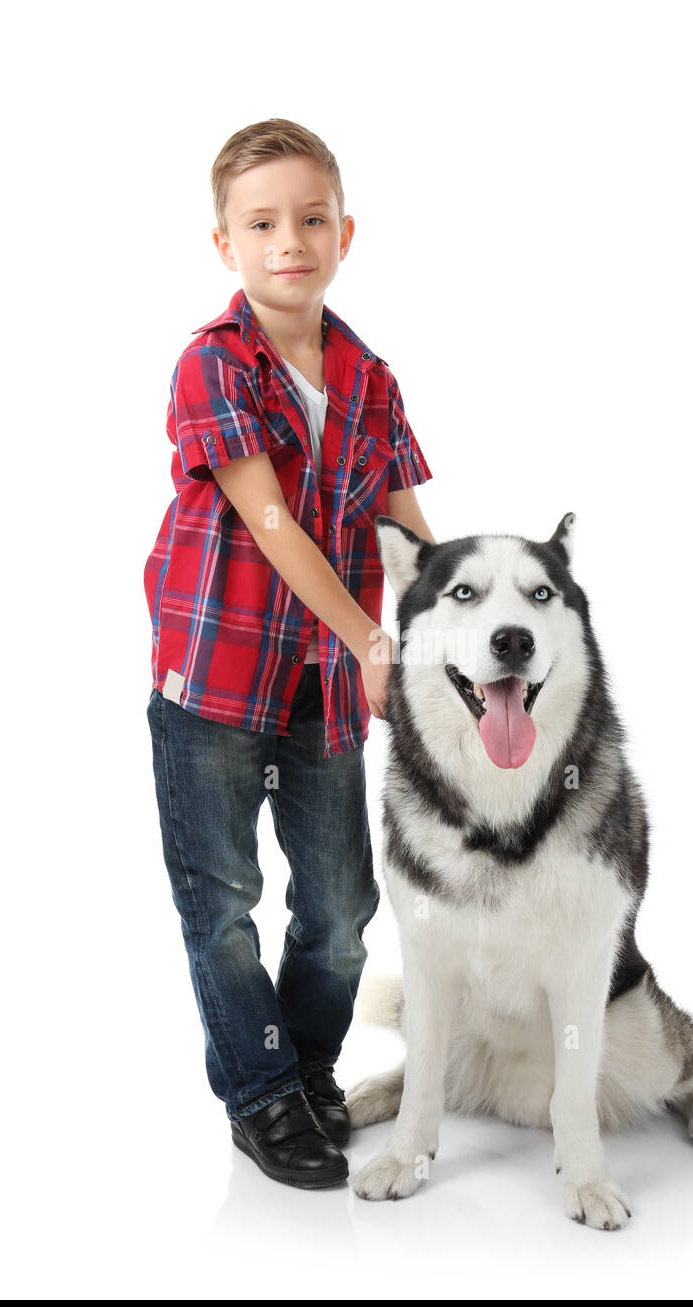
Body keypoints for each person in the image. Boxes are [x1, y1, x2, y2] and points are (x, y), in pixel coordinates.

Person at [144, 117, 436, 1190]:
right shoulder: (212, 366)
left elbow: (403, 528)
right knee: (220, 902)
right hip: (215, 682)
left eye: (310, 218)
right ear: (225, 243)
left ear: (344, 231)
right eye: (261, 223)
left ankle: (306, 1068)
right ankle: (258, 1093)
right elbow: (272, 524)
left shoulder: (367, 374)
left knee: (339, 906)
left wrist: (453, 630)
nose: (288, 241)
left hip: (318, 689)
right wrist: (367, 633)